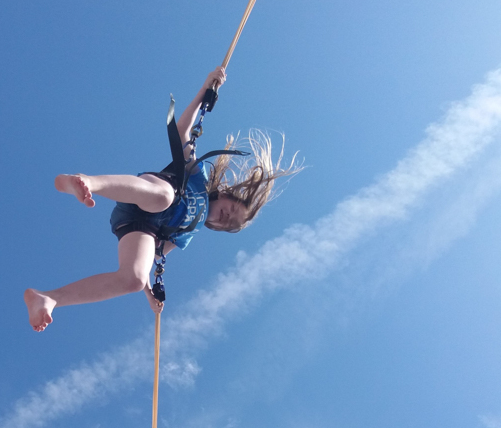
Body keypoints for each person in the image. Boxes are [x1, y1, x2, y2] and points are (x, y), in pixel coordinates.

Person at [24, 66, 300, 332]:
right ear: (227, 195)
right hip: (151, 192)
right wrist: (205, 90)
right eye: (232, 211)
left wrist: (149, 292)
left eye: (227, 224)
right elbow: (181, 133)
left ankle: (49, 298)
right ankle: (87, 183)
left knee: (133, 279)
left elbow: (155, 254)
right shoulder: (199, 179)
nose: (226, 218)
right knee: (164, 197)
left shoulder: (187, 236)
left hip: (141, 225)